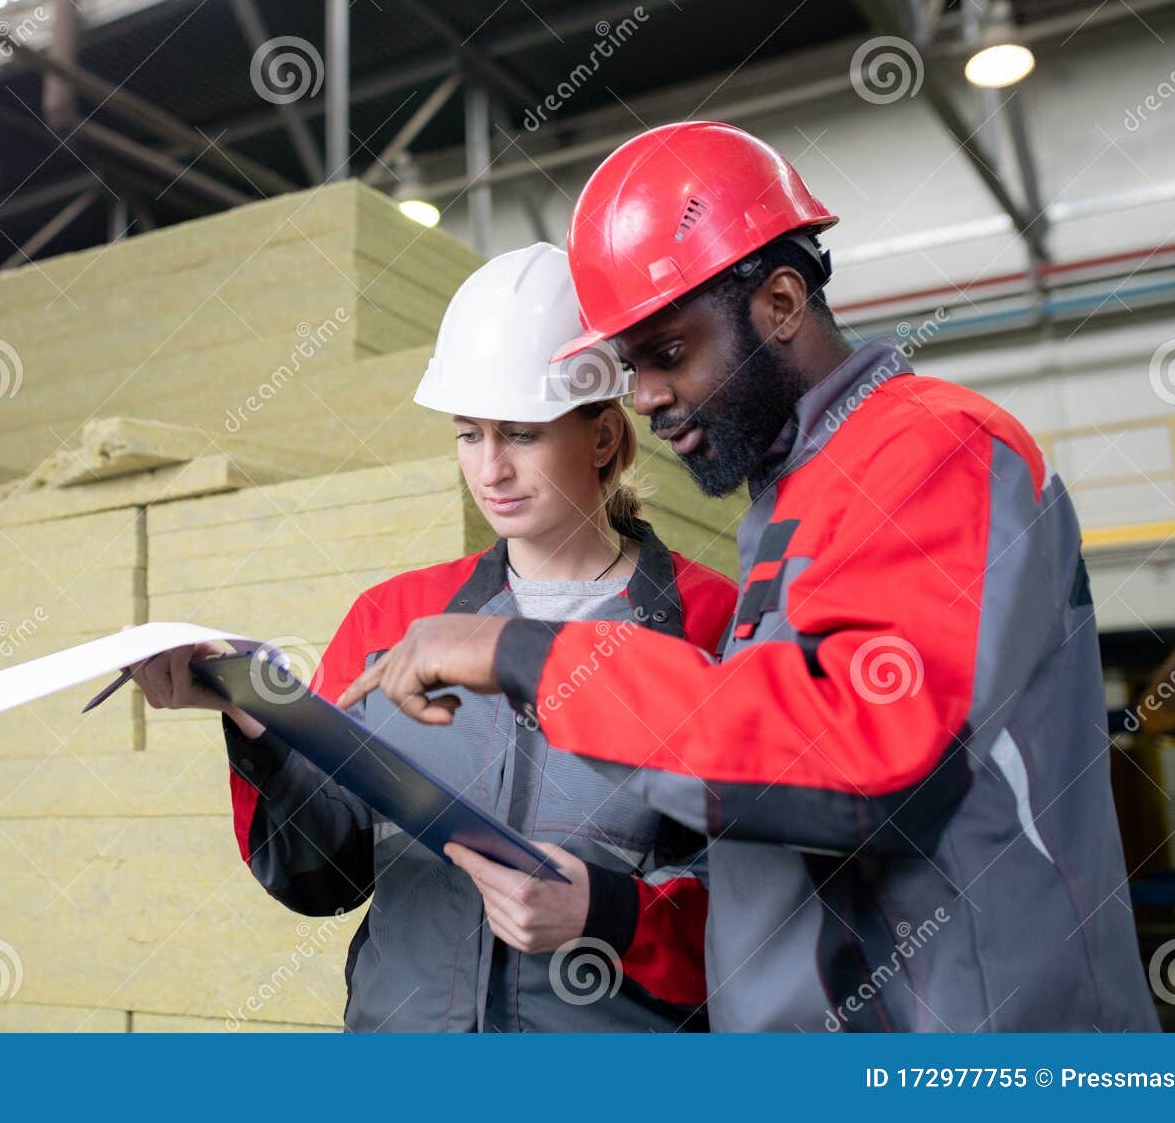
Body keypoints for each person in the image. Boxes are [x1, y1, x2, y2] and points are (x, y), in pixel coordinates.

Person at [339, 122, 1160, 1033]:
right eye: (632, 365)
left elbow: (862, 760)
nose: (644, 397)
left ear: (778, 302)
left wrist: (524, 651)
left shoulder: (935, 451)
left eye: (669, 353)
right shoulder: (792, 506)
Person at [130, 242, 738, 1031]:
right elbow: (325, 875)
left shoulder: (712, 624)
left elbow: (771, 909)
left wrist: (609, 911)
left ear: (601, 436)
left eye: (520, 434)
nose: (490, 470)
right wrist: (254, 716)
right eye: (467, 435)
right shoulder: (392, 620)